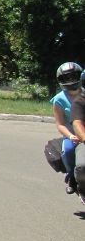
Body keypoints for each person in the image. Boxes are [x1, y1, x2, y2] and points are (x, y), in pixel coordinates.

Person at [51, 62, 83, 194]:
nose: (70, 80)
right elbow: (60, 124)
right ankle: (71, 177)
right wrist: (70, 136)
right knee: (68, 150)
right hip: (72, 136)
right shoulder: (59, 99)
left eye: (73, 76)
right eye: (67, 77)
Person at [70, 71, 85, 203]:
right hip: (84, 141)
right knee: (82, 166)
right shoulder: (80, 101)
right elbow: (77, 123)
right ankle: (83, 189)